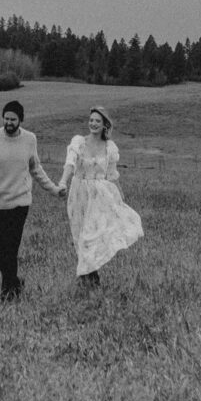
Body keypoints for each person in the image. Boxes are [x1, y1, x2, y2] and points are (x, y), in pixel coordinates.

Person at [0, 99, 58, 301]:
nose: (9, 122)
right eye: (6, 118)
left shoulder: (30, 139)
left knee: (10, 250)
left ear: (21, 120)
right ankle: (16, 281)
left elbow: (36, 168)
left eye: (13, 119)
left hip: (20, 203)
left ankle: (8, 294)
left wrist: (53, 188)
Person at [55, 105, 143, 285]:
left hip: (100, 195)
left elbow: (112, 174)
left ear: (105, 125)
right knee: (80, 236)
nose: (93, 124)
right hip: (79, 193)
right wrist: (63, 182)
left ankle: (88, 276)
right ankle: (89, 276)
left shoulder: (110, 147)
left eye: (97, 121)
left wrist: (120, 197)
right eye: (91, 120)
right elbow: (70, 164)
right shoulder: (79, 142)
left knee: (93, 235)